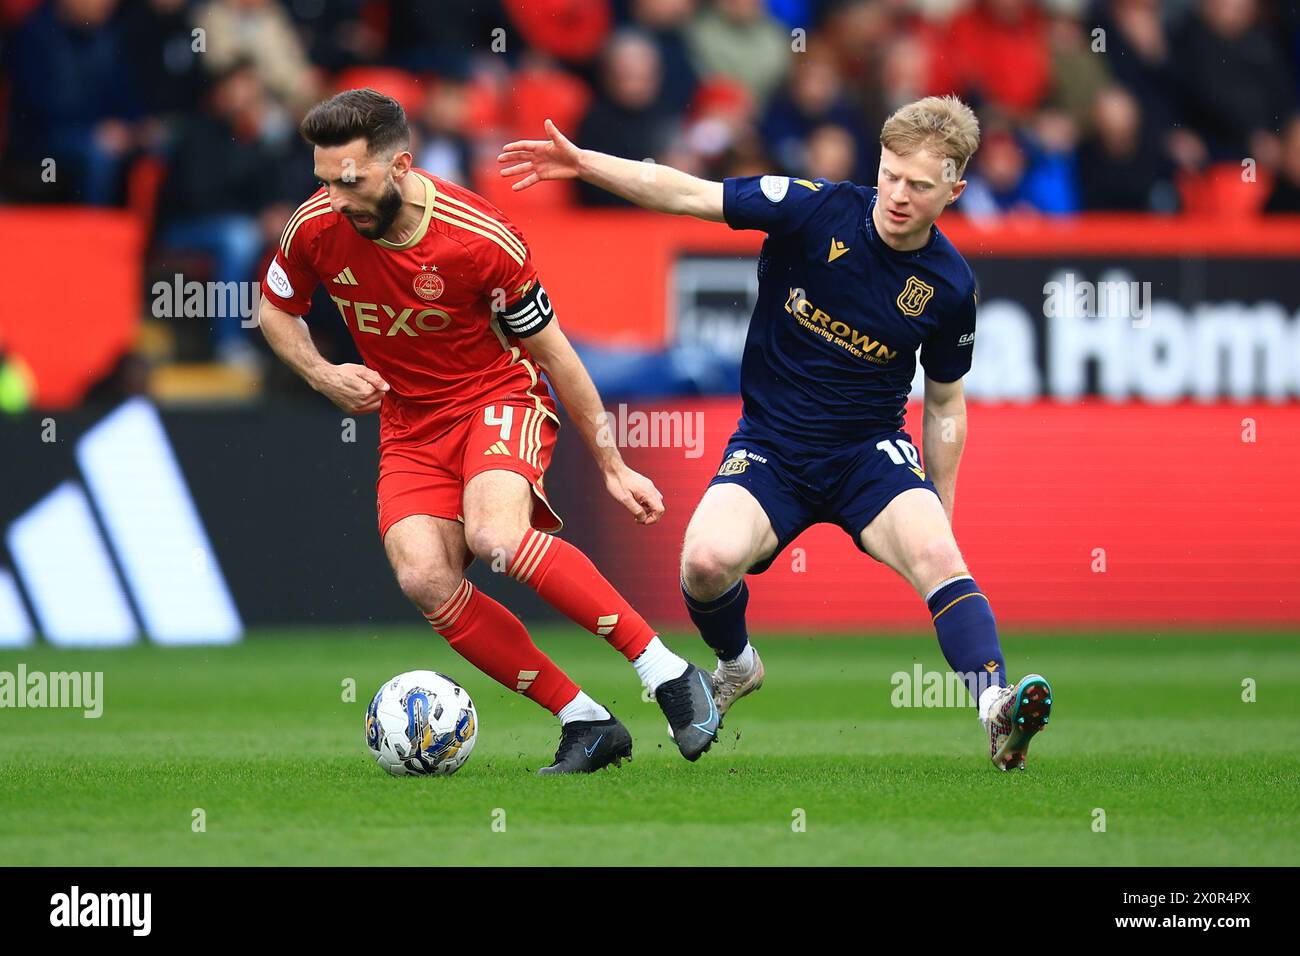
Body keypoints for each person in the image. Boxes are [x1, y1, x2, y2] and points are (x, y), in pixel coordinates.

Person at [498, 95, 1054, 770]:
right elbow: (686, 193)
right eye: (891, 175)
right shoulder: (814, 208)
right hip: (771, 449)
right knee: (703, 564)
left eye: (920, 186)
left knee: (941, 560)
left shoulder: (948, 285)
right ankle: (736, 664)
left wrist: (941, 504)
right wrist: (587, 163)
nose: (899, 196)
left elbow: (945, 405)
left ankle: (995, 708)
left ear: (956, 190)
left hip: (868, 456)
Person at [258, 89, 720, 774]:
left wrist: (613, 464)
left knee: (495, 536)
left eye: (349, 180)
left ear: (401, 165)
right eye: (323, 179)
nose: (333, 197)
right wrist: (323, 374)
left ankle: (666, 671)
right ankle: (586, 721)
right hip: (410, 423)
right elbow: (274, 309)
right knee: (423, 577)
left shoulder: (477, 238)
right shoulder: (315, 227)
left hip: (496, 397)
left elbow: (558, 353)